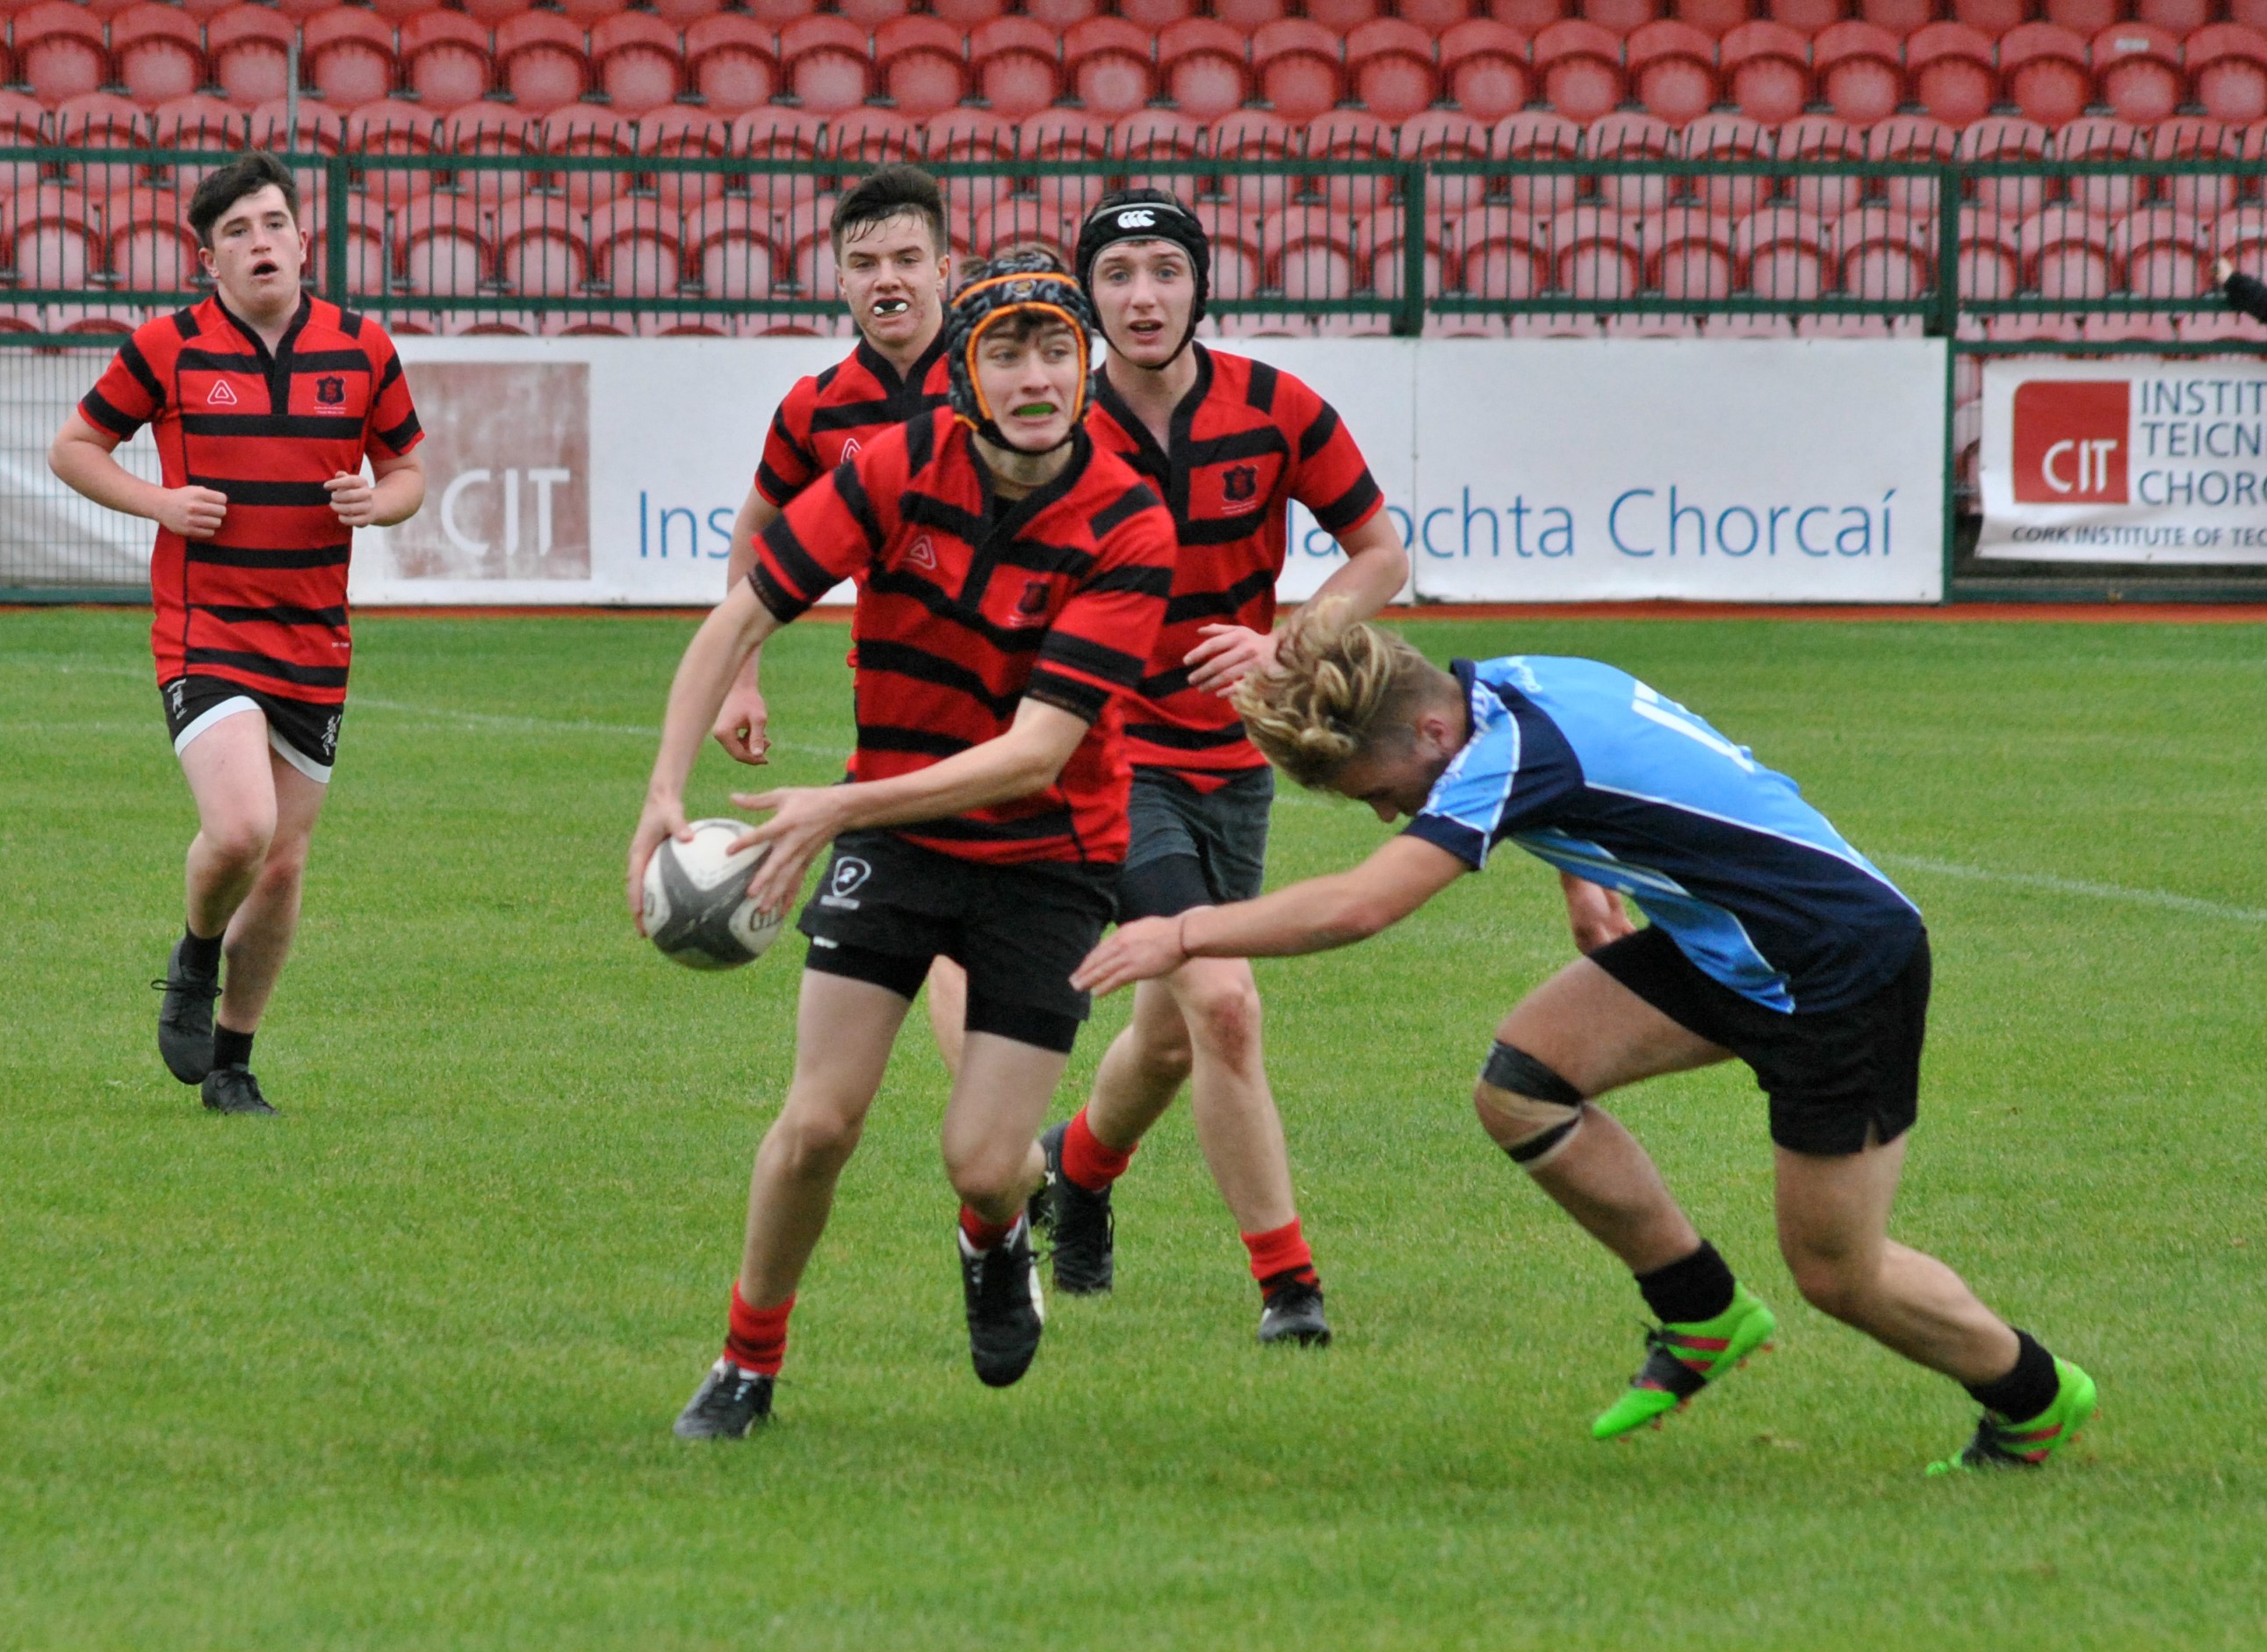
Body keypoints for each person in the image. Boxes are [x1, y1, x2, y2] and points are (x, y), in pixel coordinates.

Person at [1074, 612, 2097, 1474]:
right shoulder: (1514, 684)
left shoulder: (1498, 746)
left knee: (1839, 1274)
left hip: (1835, 970)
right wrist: (1583, 875)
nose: (1390, 812)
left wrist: (1181, 929)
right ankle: (1699, 1313)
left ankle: (2033, 1398)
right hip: (1724, 944)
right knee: (1522, 1085)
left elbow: (1358, 907)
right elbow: (1603, 777)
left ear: (1430, 731)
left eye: (1380, 790)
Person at [630, 258, 1176, 1438]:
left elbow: (1038, 754)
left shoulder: (1130, 520)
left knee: (985, 1161)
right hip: (901, 840)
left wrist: (835, 806)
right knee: (818, 1121)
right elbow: (743, 613)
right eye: (1006, 354)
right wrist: (664, 790)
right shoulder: (891, 467)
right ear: (965, 373)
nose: (1035, 378)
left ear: (1087, 366)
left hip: (1047, 856)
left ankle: (996, 1233)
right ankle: (745, 1366)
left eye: (1056, 352)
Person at [1032, 190, 1410, 1347]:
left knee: (1167, 1031)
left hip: (1235, 761)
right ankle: (1288, 1283)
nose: (1141, 297)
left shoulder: (1278, 408)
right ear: (1087, 301)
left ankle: (1078, 1172)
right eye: (1116, 276)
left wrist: (1285, 642)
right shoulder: (1056, 425)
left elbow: (1383, 552)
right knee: (1225, 1001)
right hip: (1107, 761)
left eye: (1162, 271)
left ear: (1200, 284)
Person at [48, 150, 425, 1117]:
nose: (259, 243)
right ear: (207, 262)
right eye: (235, 233)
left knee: (286, 863)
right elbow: (75, 448)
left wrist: (375, 502)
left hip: (316, 638)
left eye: (271, 224)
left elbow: (411, 471)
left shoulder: (364, 349)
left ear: (306, 239)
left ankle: (232, 1064)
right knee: (243, 829)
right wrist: (160, 503)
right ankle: (195, 954)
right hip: (205, 628)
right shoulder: (166, 348)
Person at [711, 163, 978, 1067]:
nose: (887, 280)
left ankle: (1014, 1154)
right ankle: (1014, 1157)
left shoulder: (1006, 378)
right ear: (837, 278)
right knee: (935, 942)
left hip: (1019, 703)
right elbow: (756, 533)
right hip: (895, 715)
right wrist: (738, 676)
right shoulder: (818, 406)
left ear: (949, 267)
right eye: (865, 263)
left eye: (909, 258)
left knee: (965, 939)